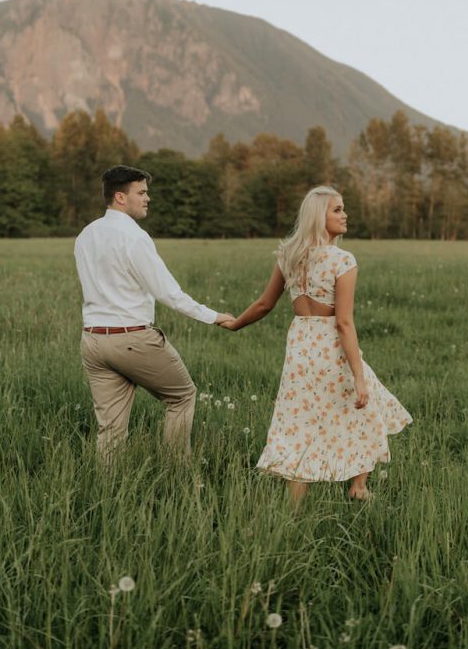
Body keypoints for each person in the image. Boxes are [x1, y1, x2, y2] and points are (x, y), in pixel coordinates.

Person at [224, 186, 411, 503]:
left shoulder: (289, 256)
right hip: (331, 346)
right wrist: (359, 375)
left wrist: (235, 323)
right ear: (318, 216)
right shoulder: (343, 260)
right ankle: (358, 487)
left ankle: (294, 510)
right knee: (367, 408)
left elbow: (264, 305)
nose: (344, 214)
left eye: (343, 208)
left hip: (300, 346)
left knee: (300, 423)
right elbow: (343, 322)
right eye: (337, 209)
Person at [74, 165, 234, 459]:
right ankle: (176, 474)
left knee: (110, 430)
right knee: (182, 396)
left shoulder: (86, 235)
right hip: (131, 339)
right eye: (142, 192)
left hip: (93, 341)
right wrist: (214, 316)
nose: (148, 198)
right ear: (120, 197)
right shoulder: (134, 237)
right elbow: (168, 293)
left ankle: (107, 497)